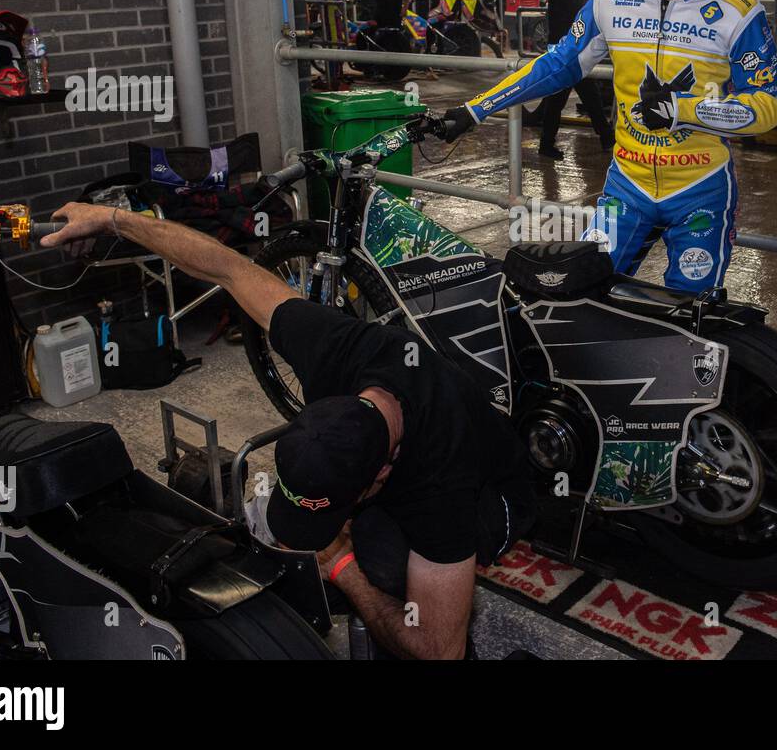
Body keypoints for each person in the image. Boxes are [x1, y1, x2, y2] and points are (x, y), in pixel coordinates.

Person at [39, 200, 535, 660]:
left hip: (498, 491)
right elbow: (226, 266)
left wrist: (343, 567)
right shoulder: (333, 347)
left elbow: (437, 648)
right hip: (397, 451)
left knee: (382, 565)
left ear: (381, 475)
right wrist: (113, 219)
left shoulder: (440, 482)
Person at [440, 0, 777, 293]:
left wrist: (684, 110)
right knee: (582, 293)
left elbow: (771, 103)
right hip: (626, 184)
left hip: (701, 188)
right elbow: (559, 64)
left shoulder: (738, 9)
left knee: (694, 315)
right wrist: (476, 108)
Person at [535, 0, 616, 159]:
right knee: (558, 101)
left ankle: (606, 137)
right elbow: (571, 23)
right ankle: (546, 144)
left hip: (575, 53)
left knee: (591, 98)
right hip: (565, 54)